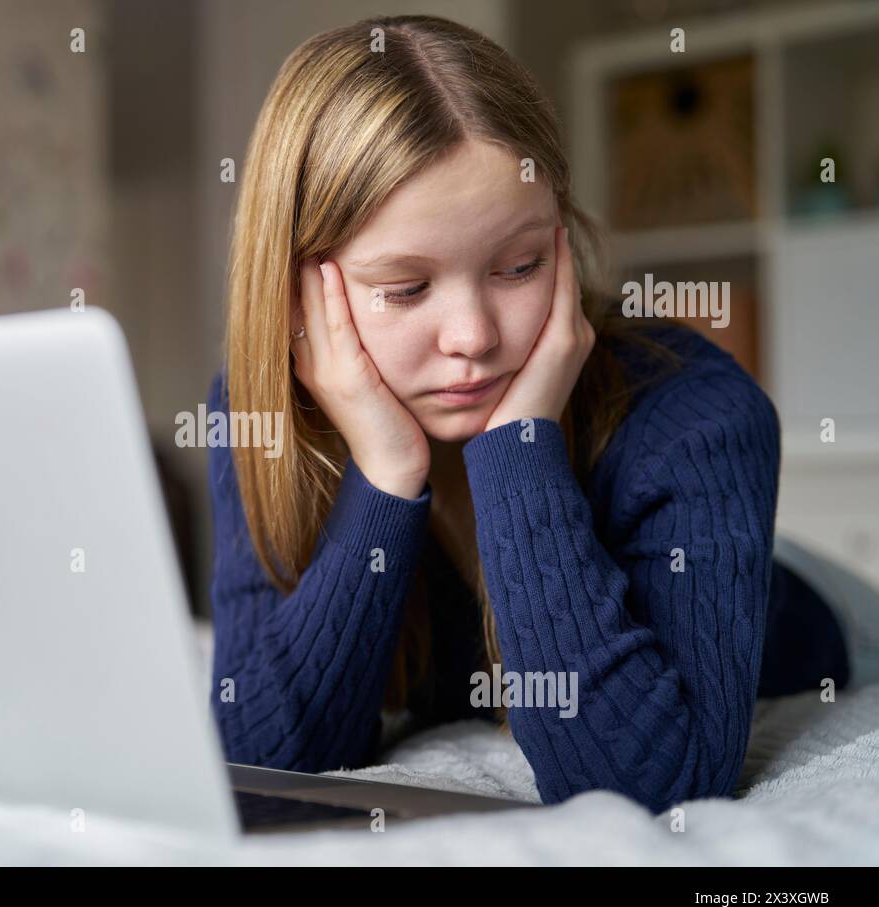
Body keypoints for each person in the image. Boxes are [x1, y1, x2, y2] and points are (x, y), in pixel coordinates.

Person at [205, 14, 854, 814]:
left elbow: (652, 787)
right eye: (407, 288)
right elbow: (260, 766)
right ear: (300, 289)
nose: (474, 337)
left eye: (519, 266)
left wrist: (520, 444)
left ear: (562, 239)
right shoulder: (258, 418)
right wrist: (384, 476)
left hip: (802, 606)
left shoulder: (699, 413)